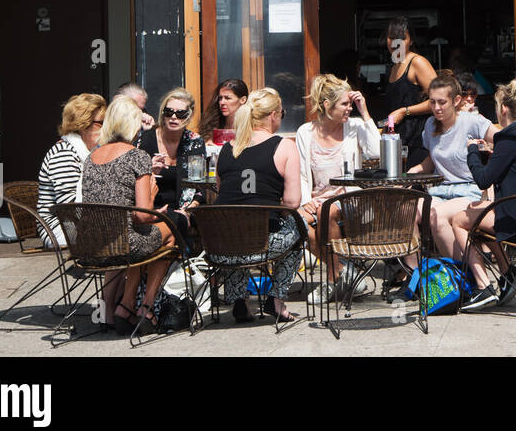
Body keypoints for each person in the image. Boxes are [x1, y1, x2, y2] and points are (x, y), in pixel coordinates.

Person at [453, 78, 516, 310]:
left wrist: (472, 151)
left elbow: (483, 179)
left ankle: (483, 287)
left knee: (460, 220)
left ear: (503, 109)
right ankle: (508, 273)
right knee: (479, 215)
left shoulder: (509, 139)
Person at [82, 95, 175, 335]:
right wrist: (155, 206)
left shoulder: (90, 158)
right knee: (170, 232)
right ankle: (144, 307)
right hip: (125, 244)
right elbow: (143, 216)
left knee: (137, 236)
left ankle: (118, 308)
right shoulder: (136, 156)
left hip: (91, 245)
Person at [213, 88, 303, 323]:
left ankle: (239, 300)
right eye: (281, 113)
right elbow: (293, 202)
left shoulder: (225, 149)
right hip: (263, 244)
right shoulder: (284, 146)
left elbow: (222, 193)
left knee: (234, 227)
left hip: (222, 247)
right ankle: (276, 300)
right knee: (297, 228)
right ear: (273, 115)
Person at [294, 73, 380, 296]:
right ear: (326, 105)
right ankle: (343, 271)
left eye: (350, 104)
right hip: (317, 197)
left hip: (349, 199)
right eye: (345, 104)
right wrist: (305, 202)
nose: (349, 108)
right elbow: (303, 174)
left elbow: (376, 152)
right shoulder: (305, 132)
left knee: (327, 211)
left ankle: (331, 281)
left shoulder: (354, 126)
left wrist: (365, 112)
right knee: (297, 222)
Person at [407, 73, 495, 258]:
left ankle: (459, 275)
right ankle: (413, 273)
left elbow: (503, 140)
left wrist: (491, 172)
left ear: (456, 100)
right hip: (440, 191)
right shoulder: (431, 125)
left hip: (468, 191)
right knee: (405, 211)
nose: (436, 108)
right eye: (432, 102)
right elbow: (432, 160)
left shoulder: (471, 121)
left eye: (441, 102)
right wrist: (411, 173)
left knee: (436, 217)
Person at [36, 93, 105, 246]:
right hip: (60, 230)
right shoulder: (63, 153)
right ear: (83, 124)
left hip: (81, 224)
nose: (106, 128)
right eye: (101, 123)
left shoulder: (87, 152)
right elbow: (69, 209)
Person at [136, 88, 206, 238]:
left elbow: (199, 185)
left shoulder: (194, 142)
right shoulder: (146, 139)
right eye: (169, 112)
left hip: (183, 208)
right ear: (163, 113)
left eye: (180, 114)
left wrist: (187, 211)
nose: (174, 117)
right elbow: (134, 179)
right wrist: (150, 171)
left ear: (189, 116)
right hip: (151, 208)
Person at [384, 17, 439, 169]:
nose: (395, 42)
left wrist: (405, 111)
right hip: (399, 141)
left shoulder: (417, 62)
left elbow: (439, 100)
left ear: (411, 40)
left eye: (401, 38)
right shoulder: (393, 66)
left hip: (420, 139)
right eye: (391, 37)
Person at [200, 78, 248, 146]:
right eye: (220, 98)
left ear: (243, 100)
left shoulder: (251, 125)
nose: (222, 102)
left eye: (228, 98)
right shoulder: (213, 124)